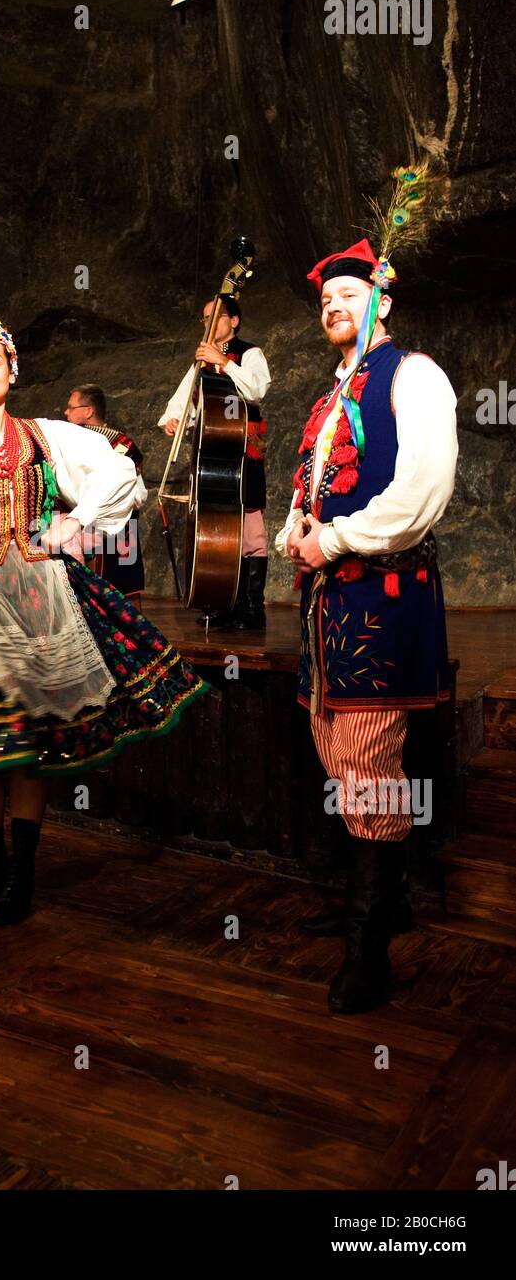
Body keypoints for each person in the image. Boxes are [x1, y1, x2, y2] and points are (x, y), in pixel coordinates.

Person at [0, 314, 207, 926]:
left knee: (32, 741)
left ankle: (20, 872)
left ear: (11, 369)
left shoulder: (48, 437)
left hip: (44, 594)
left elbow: (120, 473)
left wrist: (74, 522)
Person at [275, 238, 458, 1014]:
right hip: (328, 602)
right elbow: (310, 487)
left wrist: (337, 538)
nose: (332, 308)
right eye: (323, 302)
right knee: (338, 747)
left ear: (381, 301)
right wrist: (294, 527)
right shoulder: (327, 398)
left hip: (380, 595)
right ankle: (383, 899)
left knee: (369, 757)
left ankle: (367, 944)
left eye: (346, 295)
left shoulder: (411, 374)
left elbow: (420, 491)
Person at [159, 296, 271, 628]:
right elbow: (182, 403)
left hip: (241, 454)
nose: (208, 324)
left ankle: (253, 606)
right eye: (204, 318)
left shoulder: (249, 353)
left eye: (216, 317)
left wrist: (223, 362)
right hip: (210, 456)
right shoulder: (200, 364)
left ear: (234, 321)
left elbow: (256, 390)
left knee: (250, 532)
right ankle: (225, 600)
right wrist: (174, 420)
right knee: (220, 531)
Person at [64, 382, 147, 600]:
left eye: (71, 407)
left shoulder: (121, 445)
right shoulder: (68, 439)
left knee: (121, 588)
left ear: (88, 411)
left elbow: (138, 493)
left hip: (112, 528)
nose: (66, 413)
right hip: (80, 524)